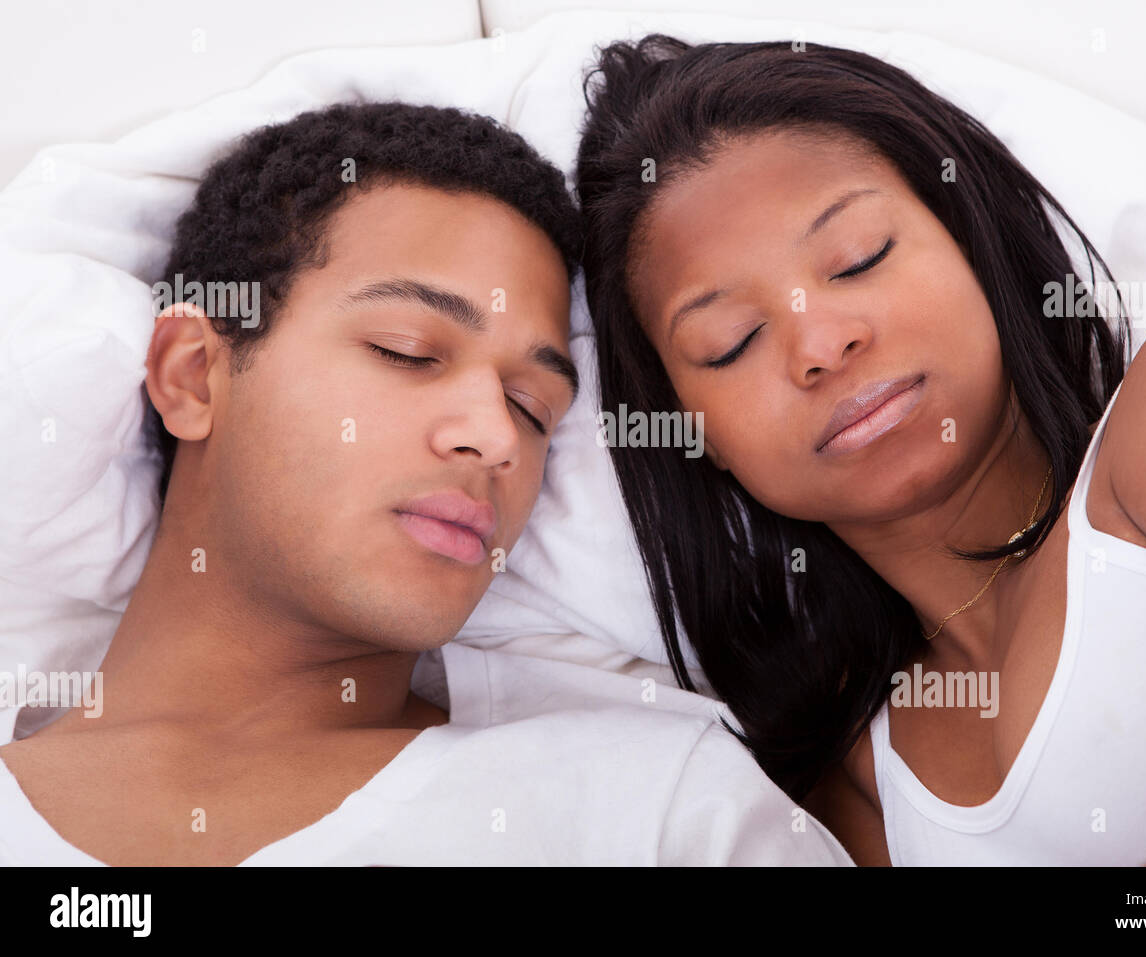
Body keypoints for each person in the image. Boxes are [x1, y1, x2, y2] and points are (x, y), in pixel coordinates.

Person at [0, 102, 852, 866]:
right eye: (406, 352)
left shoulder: (661, 812)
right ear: (192, 374)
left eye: (532, 407)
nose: (496, 438)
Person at [576, 35, 1146, 865]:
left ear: (969, 238)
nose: (821, 344)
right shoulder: (853, 793)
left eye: (860, 258)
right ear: (697, 434)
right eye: (732, 341)